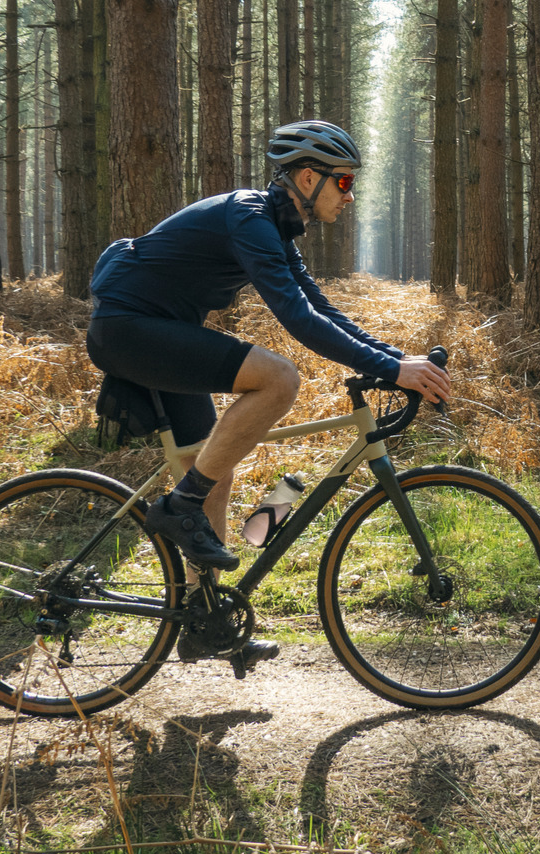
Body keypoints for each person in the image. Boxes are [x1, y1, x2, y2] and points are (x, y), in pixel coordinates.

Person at [86, 120, 451, 661]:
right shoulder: (250, 218)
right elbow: (298, 321)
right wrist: (391, 370)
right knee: (280, 378)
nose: (349, 196)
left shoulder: (274, 228)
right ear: (309, 177)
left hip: (153, 330)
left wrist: (395, 359)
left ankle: (204, 621)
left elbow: (322, 308)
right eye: (344, 183)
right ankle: (179, 506)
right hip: (128, 328)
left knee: (214, 467)